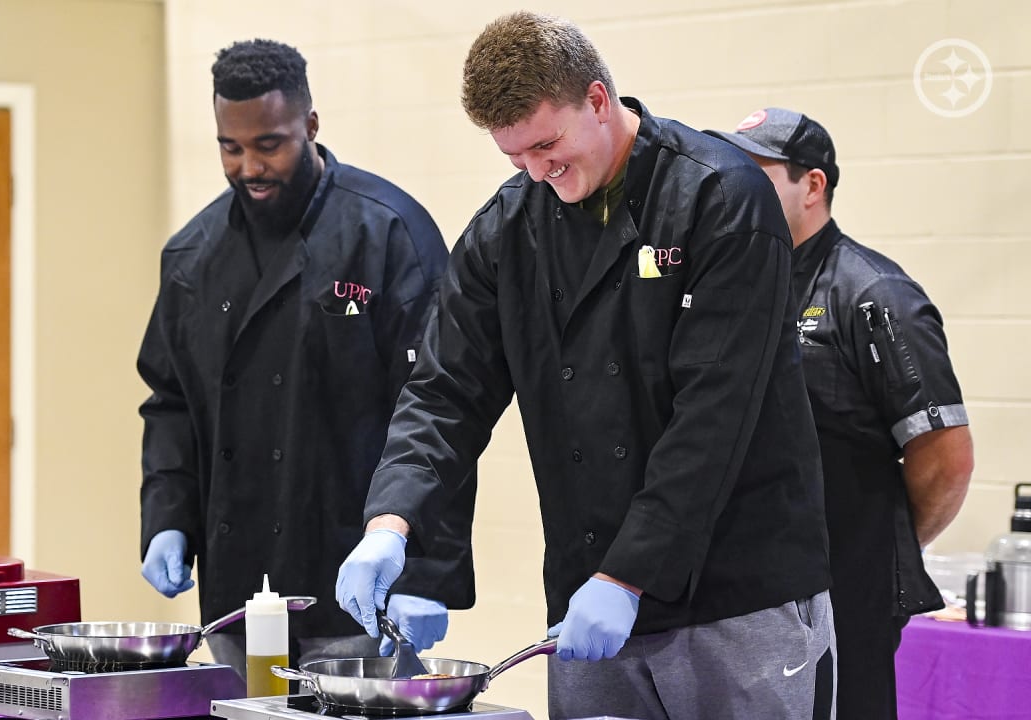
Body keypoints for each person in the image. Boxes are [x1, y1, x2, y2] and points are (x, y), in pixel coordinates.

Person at [334, 12, 837, 720]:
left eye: (548, 144)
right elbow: (446, 392)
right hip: (589, 602)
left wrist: (626, 578)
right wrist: (391, 523)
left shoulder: (720, 199)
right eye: (516, 159)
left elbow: (713, 418)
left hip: (738, 594)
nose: (539, 172)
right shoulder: (505, 232)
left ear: (598, 101)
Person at [137, 38, 474, 679]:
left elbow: (439, 405)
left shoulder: (388, 231)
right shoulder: (192, 256)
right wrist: (168, 517)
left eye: (269, 144)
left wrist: (430, 569)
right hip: (239, 596)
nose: (248, 167)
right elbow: (170, 400)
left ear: (311, 126)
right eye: (229, 148)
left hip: (358, 588)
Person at [707, 108, 974, 719]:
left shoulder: (874, 293)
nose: (733, 189)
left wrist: (879, 546)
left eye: (757, 174)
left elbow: (947, 460)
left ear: (813, 185)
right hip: (752, 590)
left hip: (849, 586)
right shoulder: (733, 283)